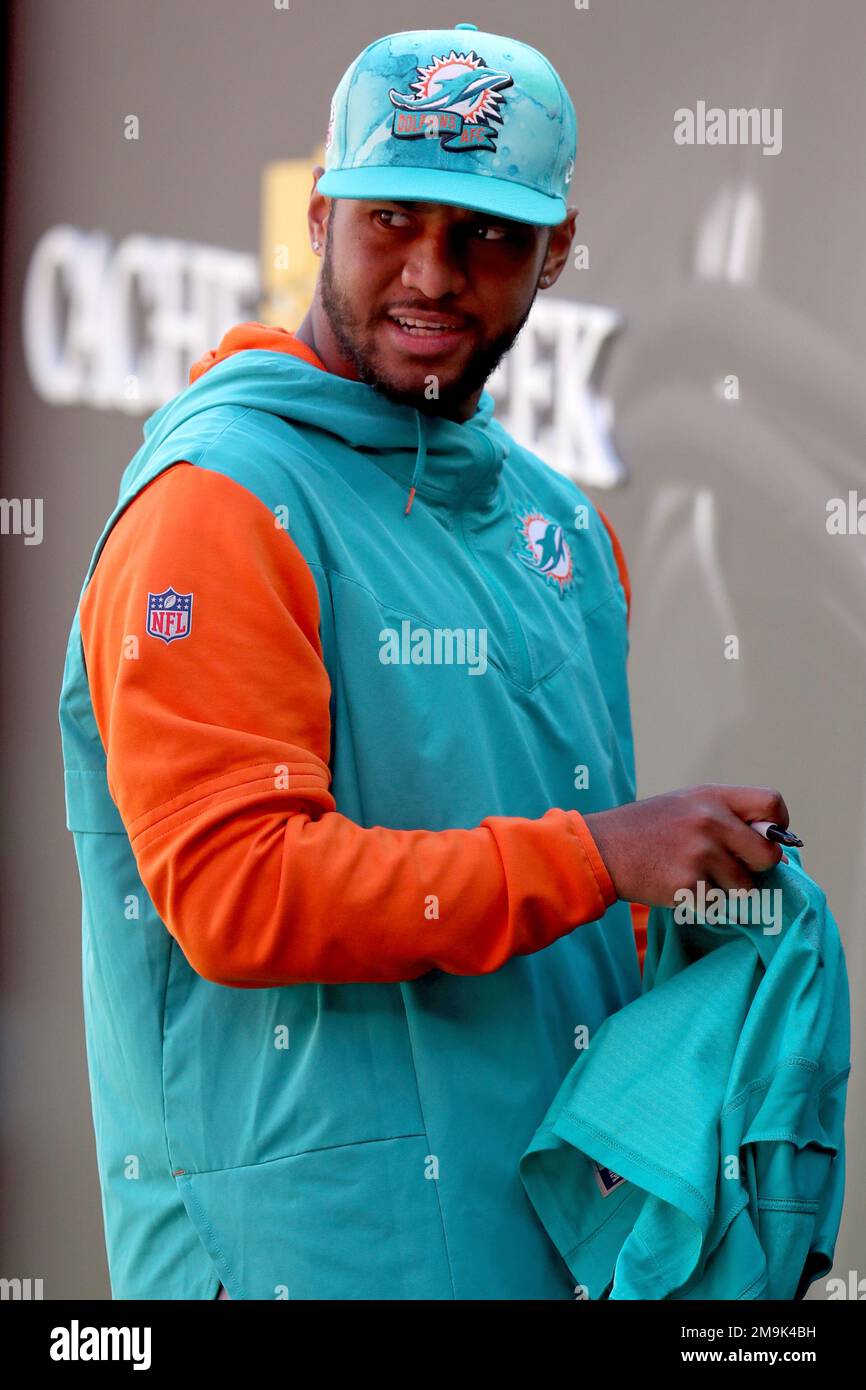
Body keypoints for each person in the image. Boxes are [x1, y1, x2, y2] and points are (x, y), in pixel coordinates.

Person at [58, 22, 791, 1301]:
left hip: (540, 1256)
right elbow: (238, 893)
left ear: (557, 250)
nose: (432, 274)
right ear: (320, 213)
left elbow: (548, 902)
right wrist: (600, 856)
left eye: (488, 234)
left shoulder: (564, 530)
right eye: (391, 218)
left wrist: (686, 914)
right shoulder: (215, 504)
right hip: (289, 1266)